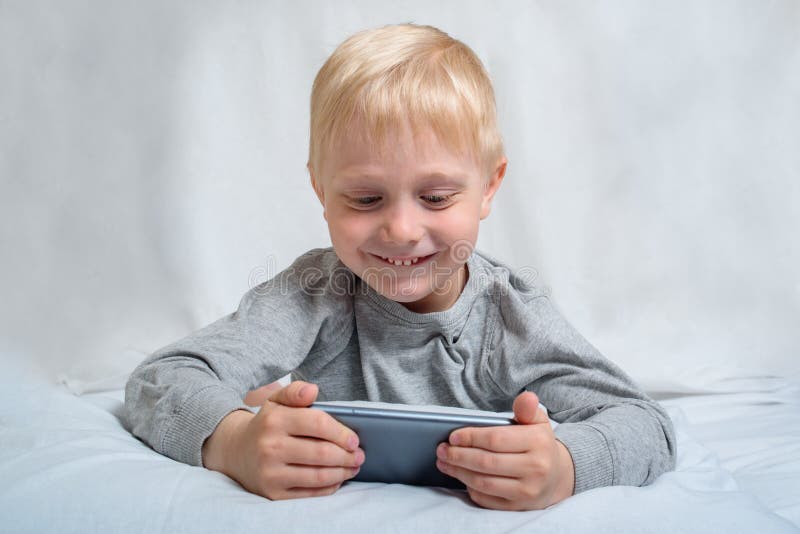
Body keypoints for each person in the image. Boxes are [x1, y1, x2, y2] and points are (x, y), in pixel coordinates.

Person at [123, 23, 676, 511]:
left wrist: (563, 467)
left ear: (489, 187)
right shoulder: (315, 292)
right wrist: (234, 441)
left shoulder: (511, 317)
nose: (402, 230)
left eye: (435, 198)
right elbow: (158, 380)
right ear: (321, 190)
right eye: (365, 200)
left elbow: (647, 427)